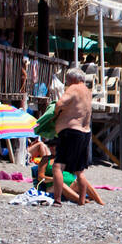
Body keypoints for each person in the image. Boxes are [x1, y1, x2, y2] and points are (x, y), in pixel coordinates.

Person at [50, 68, 94, 206]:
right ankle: (81, 200)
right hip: (85, 132)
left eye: (67, 80)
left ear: (73, 79)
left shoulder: (74, 88)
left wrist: (55, 114)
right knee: (79, 170)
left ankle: (57, 200)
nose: (66, 83)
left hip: (70, 131)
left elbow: (60, 103)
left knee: (58, 166)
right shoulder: (88, 91)